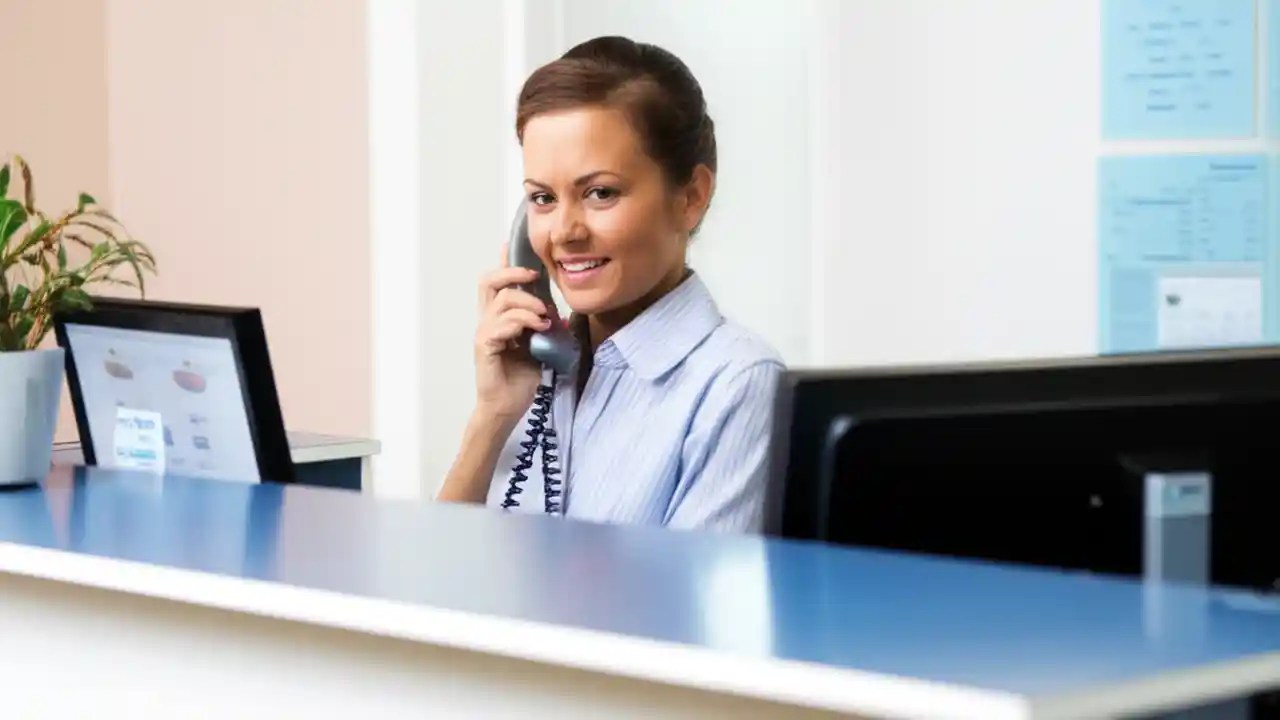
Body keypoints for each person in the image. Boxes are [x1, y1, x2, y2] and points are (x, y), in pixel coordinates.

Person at [437, 36, 784, 533]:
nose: (564, 232)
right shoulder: (537, 373)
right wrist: (492, 416)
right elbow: (427, 587)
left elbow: (688, 610)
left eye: (600, 193)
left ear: (690, 196)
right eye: (542, 199)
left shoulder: (738, 384)